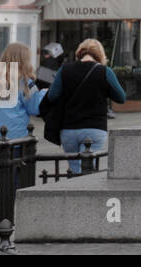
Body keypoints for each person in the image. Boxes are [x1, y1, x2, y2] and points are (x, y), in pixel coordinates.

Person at [45, 38, 126, 173]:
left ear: (79, 53)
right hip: (94, 129)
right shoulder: (104, 71)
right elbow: (121, 97)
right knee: (88, 171)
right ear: (100, 55)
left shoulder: (65, 70)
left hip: (69, 129)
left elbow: (52, 96)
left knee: (75, 170)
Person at [0, 43, 46, 140]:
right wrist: (43, 93)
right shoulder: (25, 83)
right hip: (18, 139)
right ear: (24, 62)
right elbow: (35, 109)